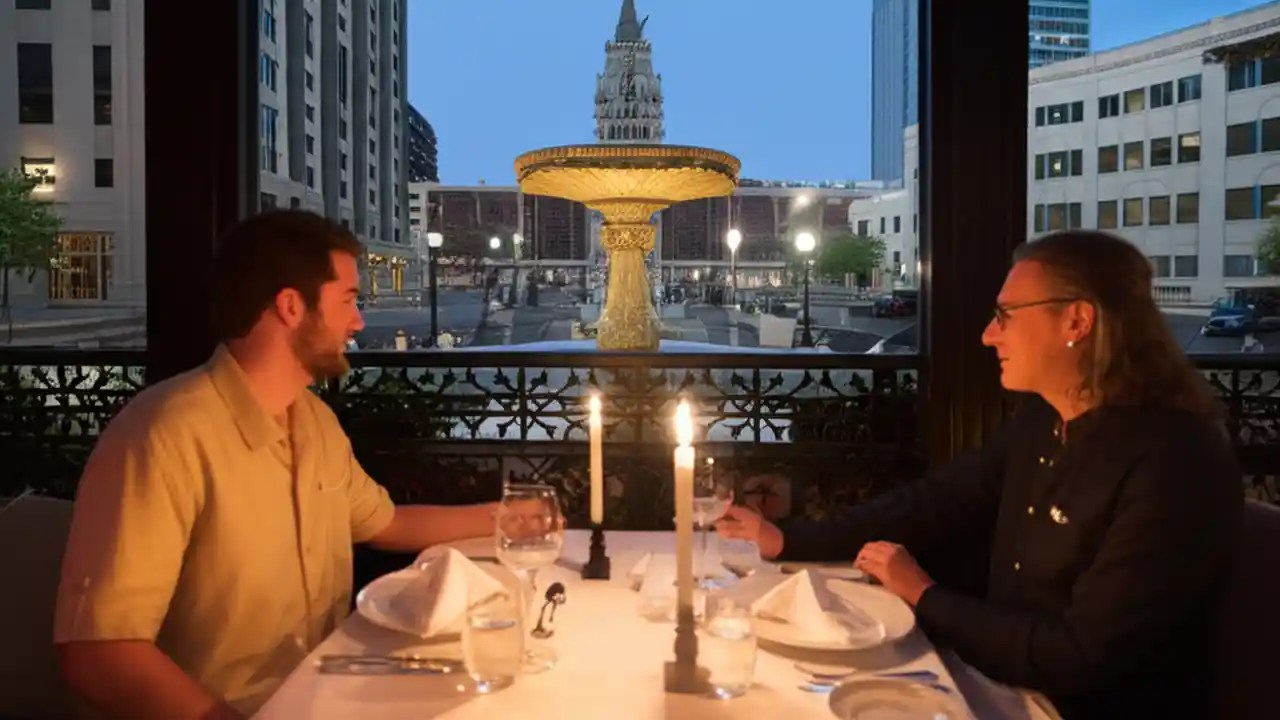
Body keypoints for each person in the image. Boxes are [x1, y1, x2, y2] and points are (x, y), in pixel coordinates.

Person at [718, 230, 1243, 719]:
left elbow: (1082, 657)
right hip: (1002, 678)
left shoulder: (1175, 462)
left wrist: (923, 594)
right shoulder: (1044, 421)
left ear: (1077, 322)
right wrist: (786, 538)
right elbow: (932, 503)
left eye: (1006, 315)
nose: (989, 334)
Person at [54, 210, 498, 719]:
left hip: (322, 698)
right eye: (349, 300)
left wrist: (508, 517)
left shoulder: (315, 422)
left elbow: (386, 523)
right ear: (290, 306)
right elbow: (99, 654)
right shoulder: (164, 434)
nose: (358, 322)